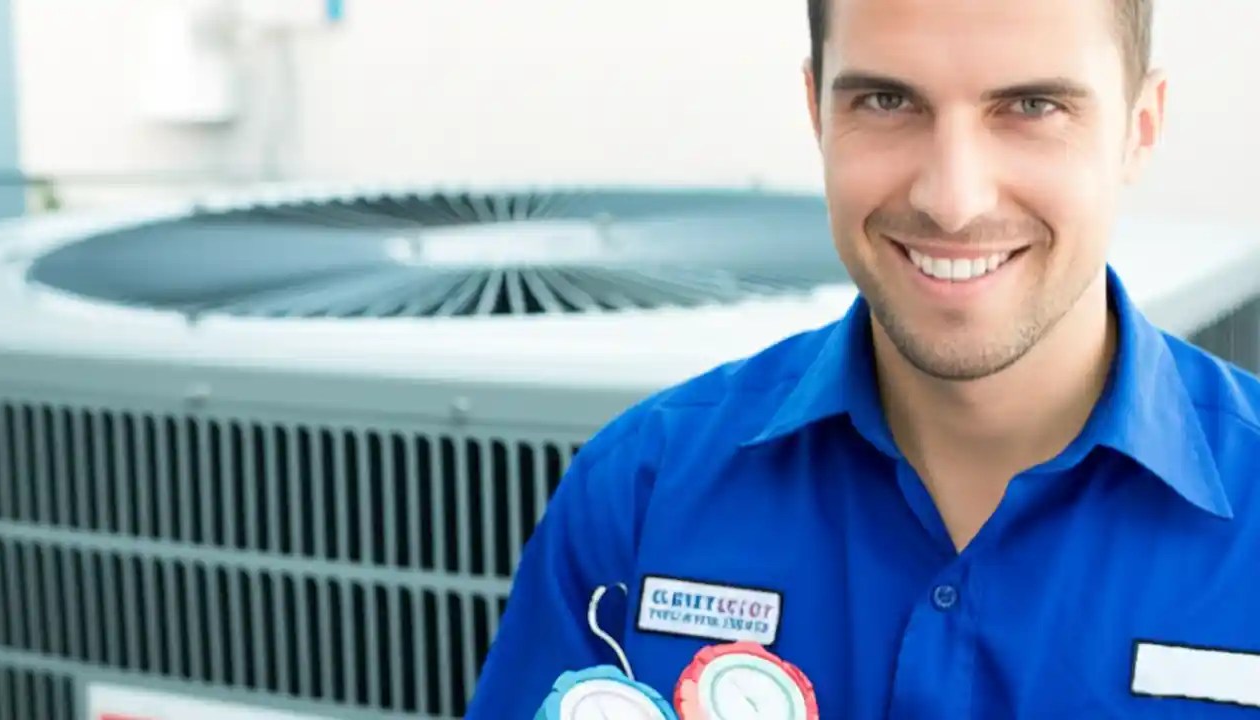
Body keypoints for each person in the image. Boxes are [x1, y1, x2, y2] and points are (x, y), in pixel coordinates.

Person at [469, 0, 1260, 716]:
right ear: (816, 111)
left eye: (1032, 106)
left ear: (1139, 128)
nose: (953, 200)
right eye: (887, 101)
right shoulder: (640, 495)